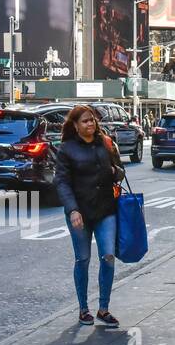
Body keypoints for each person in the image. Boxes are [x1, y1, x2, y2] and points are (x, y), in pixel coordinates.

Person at [54, 104, 127, 328]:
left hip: (105, 210)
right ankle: (83, 309)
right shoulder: (66, 149)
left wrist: (116, 172)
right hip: (80, 213)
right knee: (83, 259)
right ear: (75, 125)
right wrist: (72, 209)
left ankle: (103, 308)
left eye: (92, 120)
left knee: (107, 256)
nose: (90, 124)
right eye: (85, 121)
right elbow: (62, 182)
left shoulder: (105, 144)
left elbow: (120, 170)